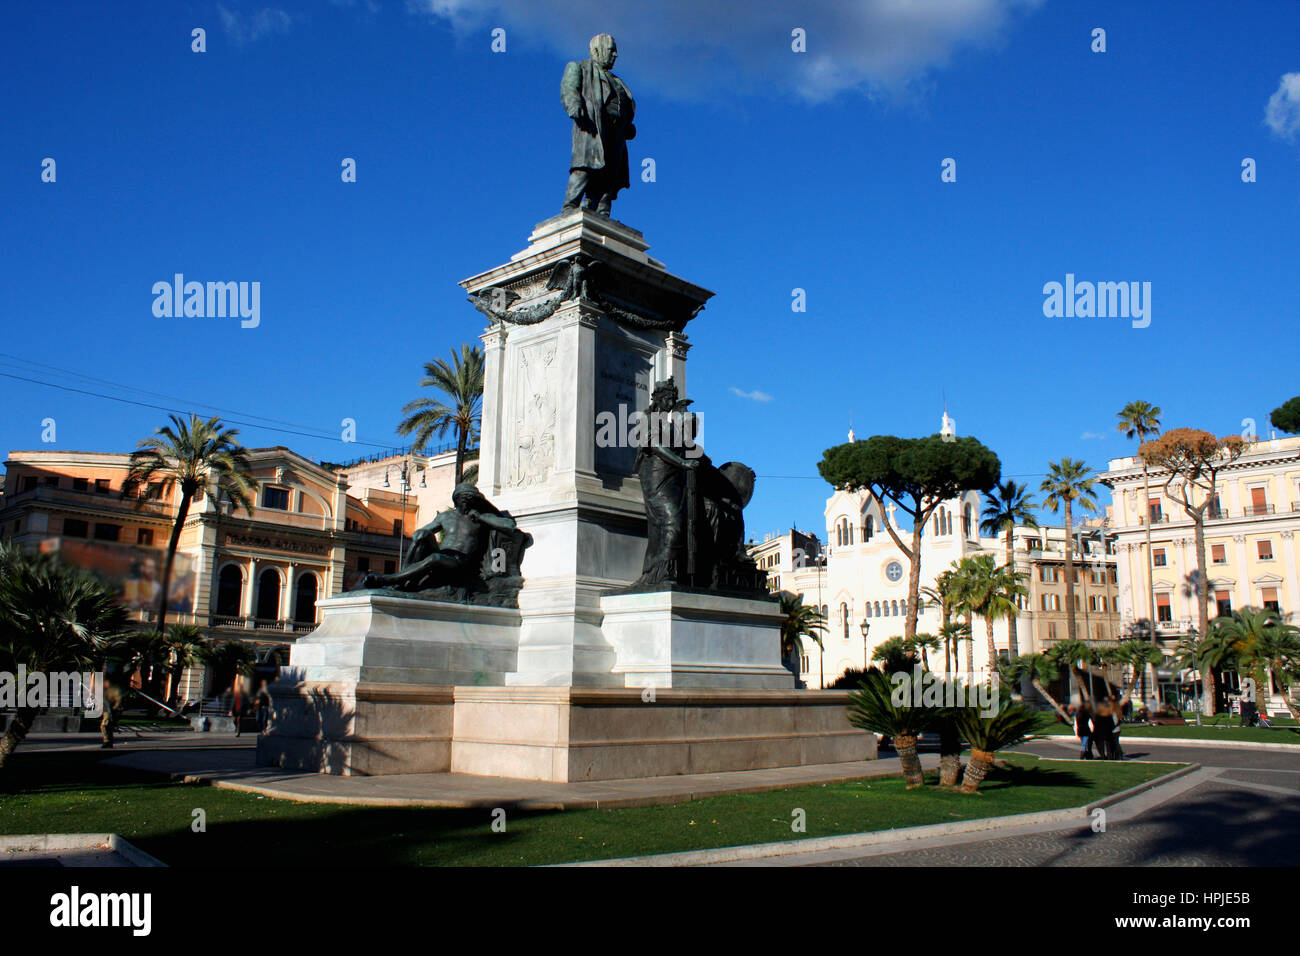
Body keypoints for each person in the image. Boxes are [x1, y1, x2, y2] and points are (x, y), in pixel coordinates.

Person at [560, 34, 636, 216]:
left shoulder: (618, 82)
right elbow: (569, 89)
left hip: (616, 132)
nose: (615, 55)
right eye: (611, 50)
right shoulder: (579, 68)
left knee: (610, 172)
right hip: (592, 124)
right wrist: (574, 105)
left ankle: (602, 210)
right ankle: (571, 205)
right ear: (596, 50)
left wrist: (627, 124)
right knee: (584, 167)